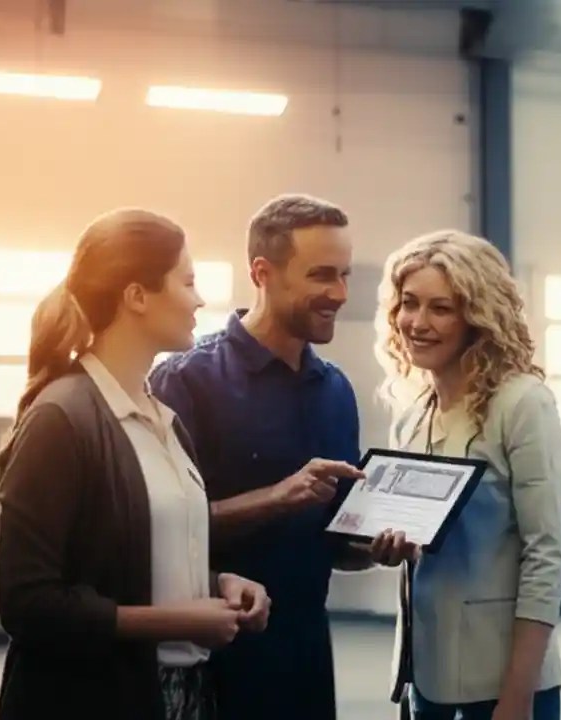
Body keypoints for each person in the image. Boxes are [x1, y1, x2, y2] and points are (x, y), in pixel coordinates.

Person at [0, 208, 272, 720]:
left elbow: (131, 558)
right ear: (137, 296)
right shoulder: (60, 419)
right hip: (92, 700)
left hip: (180, 696)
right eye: (188, 282)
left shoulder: (161, 418)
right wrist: (176, 622)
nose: (201, 299)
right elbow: (27, 604)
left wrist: (217, 584)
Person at [148, 194, 371, 720]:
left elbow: (337, 545)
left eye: (345, 275)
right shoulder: (184, 381)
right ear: (262, 272)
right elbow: (156, 535)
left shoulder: (336, 390)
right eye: (321, 275)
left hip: (308, 659)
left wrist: (374, 545)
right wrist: (278, 497)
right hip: (211, 663)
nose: (339, 294)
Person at [363, 229, 561, 720]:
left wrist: (516, 697)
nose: (417, 322)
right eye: (409, 303)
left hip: (502, 683)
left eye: (441, 308)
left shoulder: (522, 404)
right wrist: (389, 546)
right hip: (425, 679)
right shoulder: (412, 414)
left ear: (477, 317)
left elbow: (546, 556)